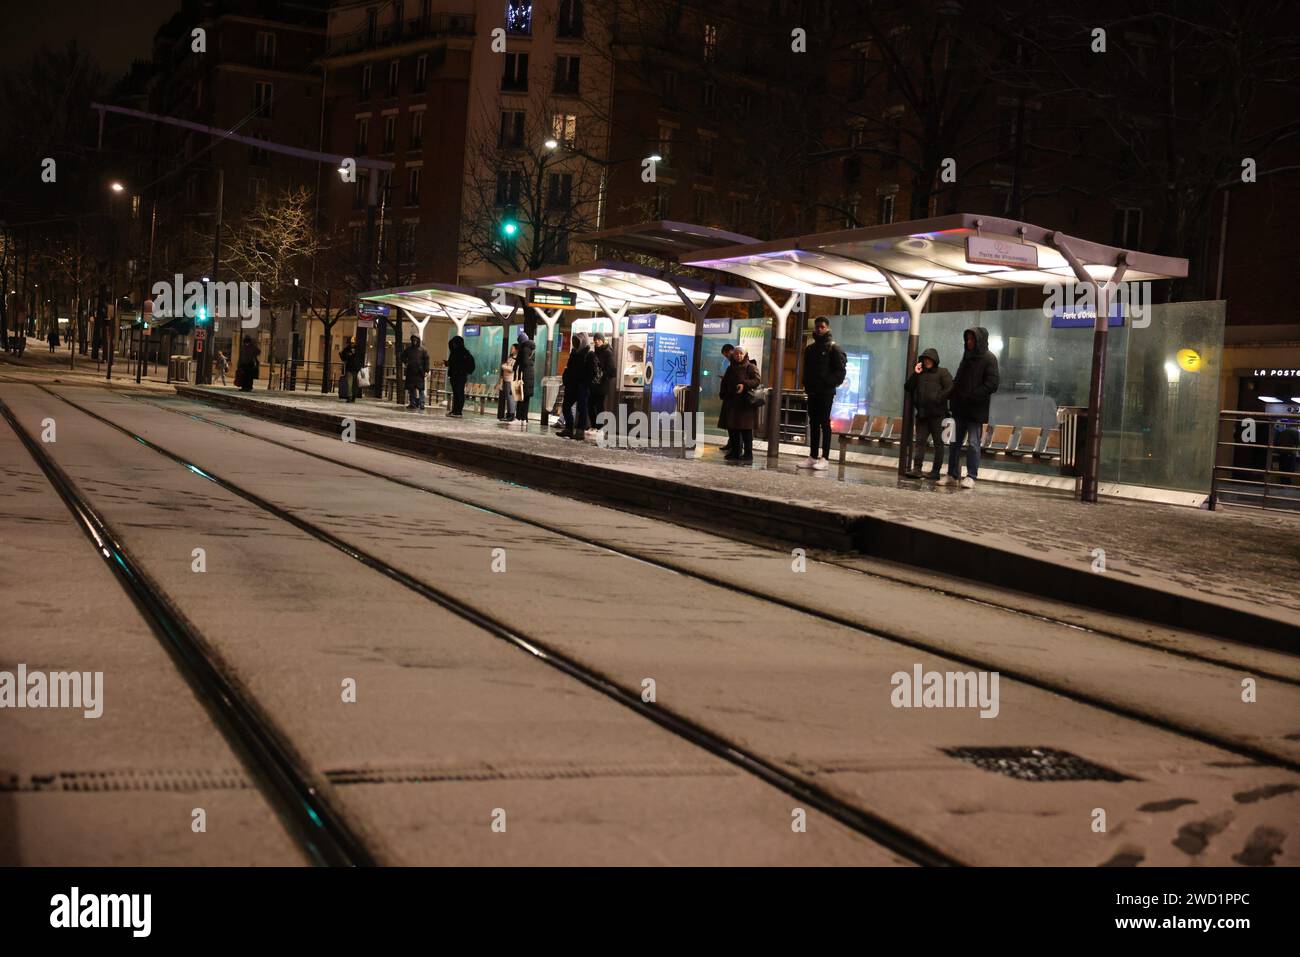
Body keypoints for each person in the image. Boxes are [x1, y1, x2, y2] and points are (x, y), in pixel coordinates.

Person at [941, 326, 1000, 488]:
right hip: (960, 408)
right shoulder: (966, 358)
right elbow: (958, 380)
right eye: (967, 339)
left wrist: (973, 395)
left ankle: (971, 476)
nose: (969, 342)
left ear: (979, 340)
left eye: (972, 339)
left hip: (976, 410)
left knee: (973, 444)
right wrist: (950, 396)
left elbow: (992, 384)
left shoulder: (989, 359)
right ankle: (952, 474)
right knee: (954, 443)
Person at [798, 316, 847, 471]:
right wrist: (807, 384)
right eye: (817, 327)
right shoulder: (810, 349)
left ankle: (824, 458)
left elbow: (840, 372)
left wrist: (827, 382)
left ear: (827, 328)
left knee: (824, 423)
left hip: (825, 392)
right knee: (813, 423)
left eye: (822, 327)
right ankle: (813, 456)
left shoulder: (834, 348)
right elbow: (806, 369)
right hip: (813, 391)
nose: (819, 329)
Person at [903, 348, 954, 480]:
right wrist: (915, 373)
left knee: (939, 443)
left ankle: (936, 471)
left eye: (929, 359)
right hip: (922, 415)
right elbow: (908, 387)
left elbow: (951, 388)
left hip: (938, 415)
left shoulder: (942, 372)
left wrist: (938, 398)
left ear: (934, 360)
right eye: (925, 359)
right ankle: (917, 469)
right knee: (920, 442)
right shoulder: (919, 374)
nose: (926, 361)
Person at [720, 346, 761, 461]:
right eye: (737, 354)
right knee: (733, 429)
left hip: (745, 404)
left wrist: (744, 384)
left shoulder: (750, 367)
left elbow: (757, 381)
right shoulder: (731, 368)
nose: (738, 356)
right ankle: (735, 452)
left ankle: (748, 454)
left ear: (745, 355)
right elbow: (725, 382)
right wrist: (723, 393)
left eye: (741, 354)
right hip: (732, 402)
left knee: (746, 430)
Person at [559, 331, 595, 439]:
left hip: (582, 386)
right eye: (574, 341)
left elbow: (591, 372)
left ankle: (580, 431)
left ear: (582, 342)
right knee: (566, 406)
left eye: (576, 342)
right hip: (571, 385)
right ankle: (569, 428)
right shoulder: (573, 353)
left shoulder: (589, 354)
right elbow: (569, 368)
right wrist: (566, 379)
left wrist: (585, 383)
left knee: (581, 408)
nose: (574, 344)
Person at [589, 332, 615, 429]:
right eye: (595, 341)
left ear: (602, 340)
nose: (596, 343)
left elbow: (612, 370)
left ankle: (599, 427)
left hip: (602, 384)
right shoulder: (597, 351)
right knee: (590, 405)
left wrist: (603, 374)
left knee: (599, 406)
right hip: (595, 383)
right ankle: (594, 426)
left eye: (597, 341)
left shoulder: (608, 352)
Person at [446, 334, 475, 416]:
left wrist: (461, 370)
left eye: (455, 343)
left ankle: (458, 411)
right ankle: (455, 410)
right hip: (456, 375)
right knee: (456, 393)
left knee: (459, 393)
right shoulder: (456, 352)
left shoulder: (462, 353)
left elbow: (459, 364)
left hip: (459, 375)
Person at [401, 333, 429, 411]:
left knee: (420, 389)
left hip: (419, 372)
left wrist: (426, 370)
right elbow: (402, 356)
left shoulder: (423, 350)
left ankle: (421, 403)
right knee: (411, 389)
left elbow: (426, 360)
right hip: (411, 371)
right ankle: (412, 403)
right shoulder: (409, 349)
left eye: (416, 340)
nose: (414, 341)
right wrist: (406, 362)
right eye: (413, 340)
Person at [514, 331, 535, 422]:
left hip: (524, 376)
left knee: (520, 396)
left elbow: (524, 362)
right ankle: (524, 418)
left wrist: (516, 368)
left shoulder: (524, 349)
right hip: (530, 375)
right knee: (525, 398)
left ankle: (519, 417)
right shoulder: (531, 349)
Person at [498, 344, 518, 421]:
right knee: (508, 398)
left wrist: (504, 366)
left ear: (516, 349)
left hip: (511, 380)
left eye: (512, 348)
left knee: (511, 398)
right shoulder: (510, 358)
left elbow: (512, 369)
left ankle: (512, 414)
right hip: (506, 379)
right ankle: (508, 413)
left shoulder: (516, 359)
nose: (511, 349)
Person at [339, 337, 362, 402]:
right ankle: (349, 397)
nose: (352, 344)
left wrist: (360, 367)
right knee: (350, 384)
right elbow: (343, 358)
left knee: (355, 384)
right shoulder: (346, 349)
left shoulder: (358, 349)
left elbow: (360, 359)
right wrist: (341, 354)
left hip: (356, 369)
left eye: (353, 343)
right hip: (349, 369)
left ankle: (353, 396)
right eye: (351, 343)